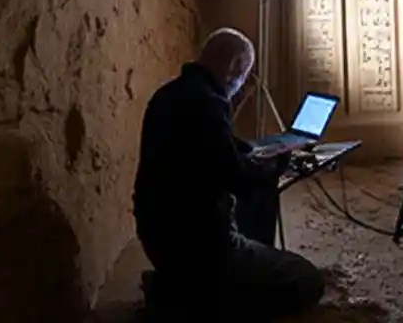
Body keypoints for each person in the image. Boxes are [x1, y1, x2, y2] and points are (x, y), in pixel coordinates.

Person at [133, 28, 324, 320]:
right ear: (234, 69)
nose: (241, 86)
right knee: (306, 279)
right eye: (244, 77)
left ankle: (179, 287)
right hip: (200, 248)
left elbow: (204, 151)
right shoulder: (210, 103)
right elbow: (238, 180)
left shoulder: (168, 93)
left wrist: (246, 149)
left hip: (157, 239)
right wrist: (276, 166)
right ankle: (191, 299)